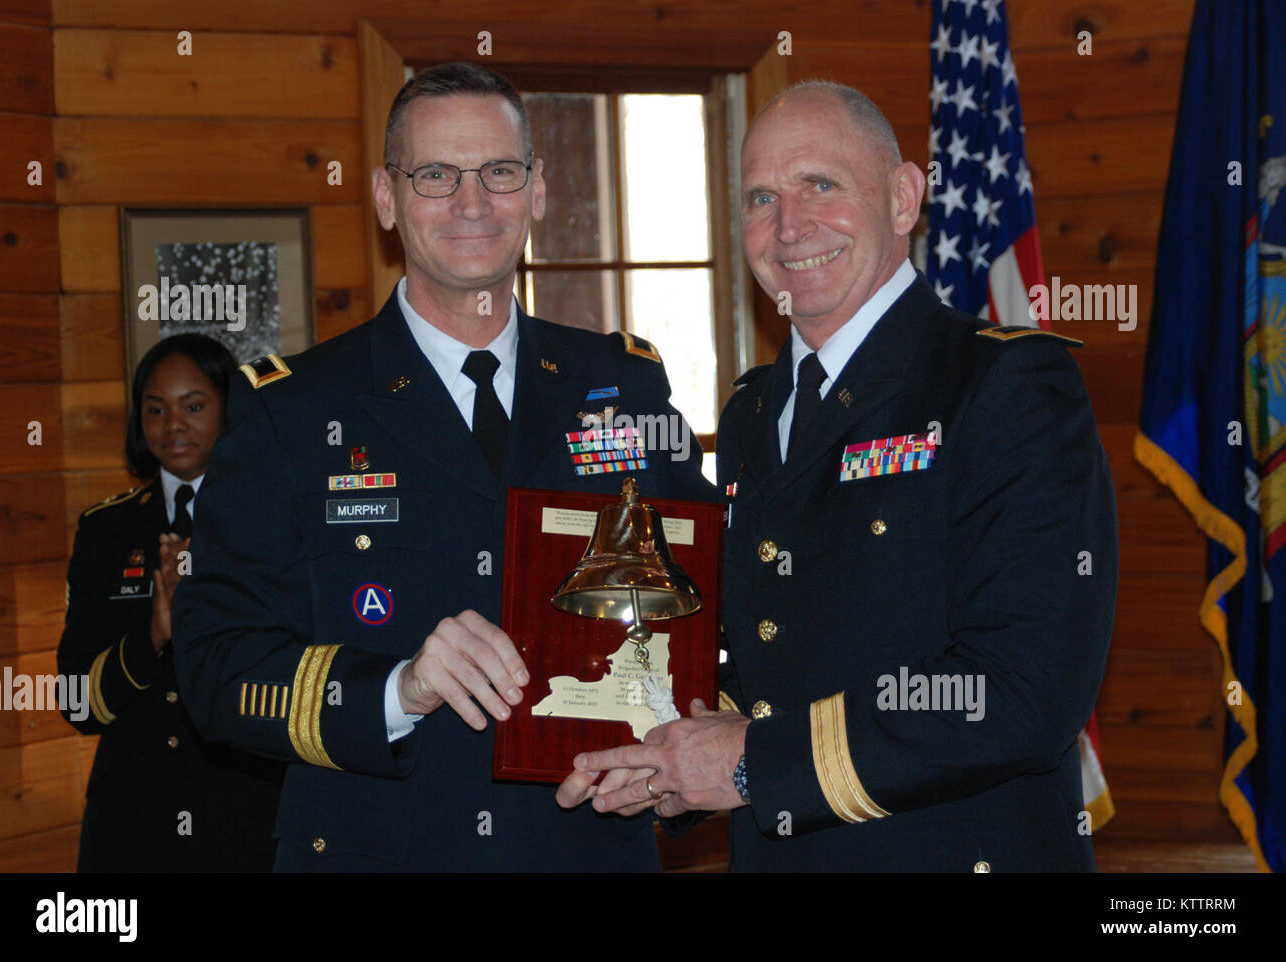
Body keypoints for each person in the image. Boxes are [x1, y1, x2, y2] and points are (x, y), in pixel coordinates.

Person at [559, 81, 1119, 872]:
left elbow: (1024, 691)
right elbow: (763, 658)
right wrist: (673, 755)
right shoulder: (756, 411)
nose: (789, 226)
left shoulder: (1004, 386)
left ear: (902, 197)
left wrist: (754, 762)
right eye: (761, 197)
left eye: (820, 184)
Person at [171, 62, 716, 872]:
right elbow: (218, 671)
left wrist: (678, 759)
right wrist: (399, 689)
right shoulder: (291, 410)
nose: (472, 202)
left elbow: (705, 611)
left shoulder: (624, 383)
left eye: (498, 171)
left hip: (587, 848)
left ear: (536, 189)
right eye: (436, 175)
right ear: (387, 199)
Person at [57, 334, 284, 871]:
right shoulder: (105, 530)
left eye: (194, 406)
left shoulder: (270, 519)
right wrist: (153, 637)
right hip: (135, 823)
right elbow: (75, 701)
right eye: (155, 409)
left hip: (247, 813)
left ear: (228, 408)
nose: (173, 424)